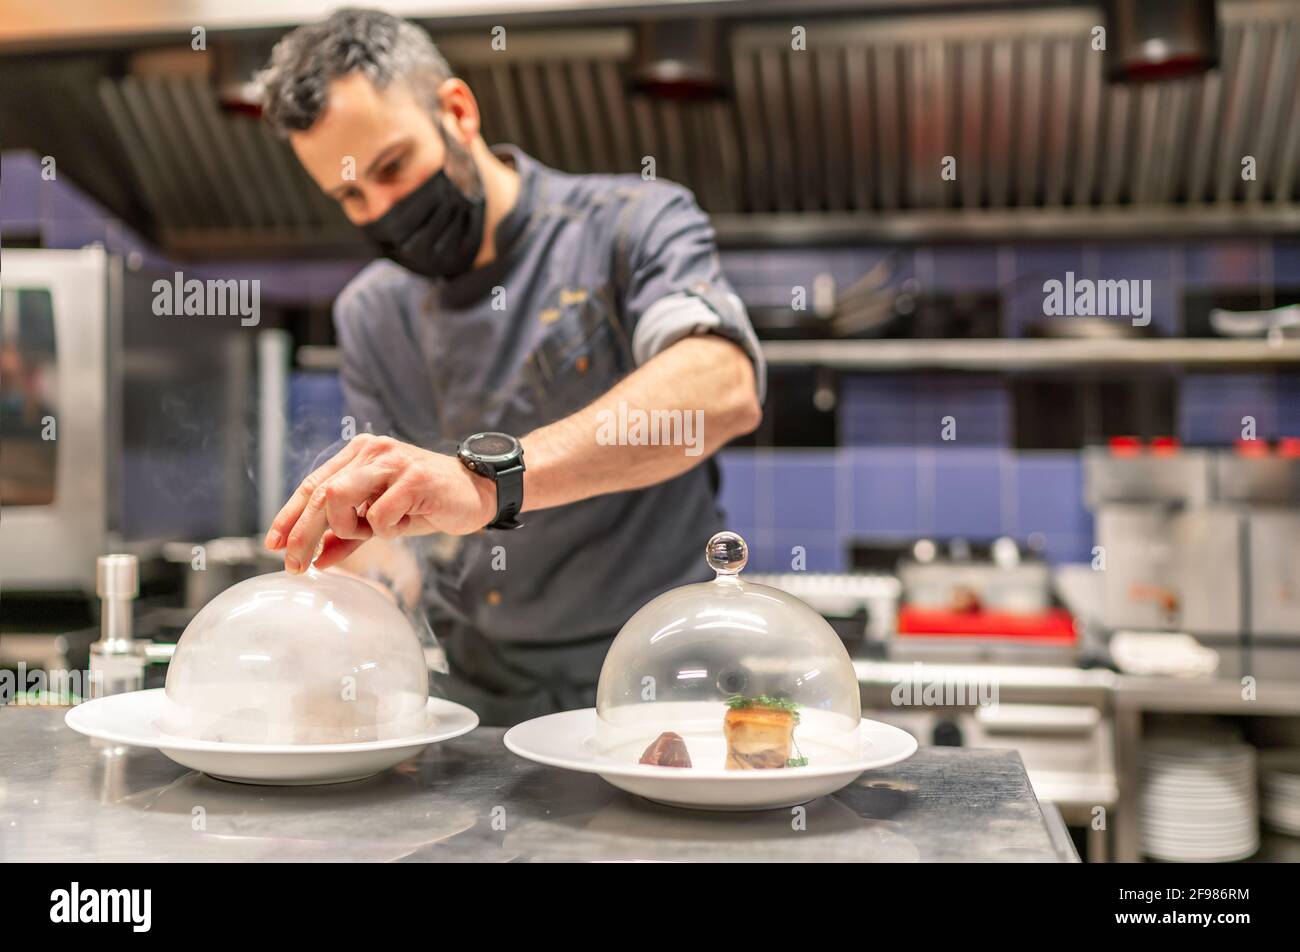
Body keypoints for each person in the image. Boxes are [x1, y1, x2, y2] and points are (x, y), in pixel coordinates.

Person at [257, 8, 765, 726]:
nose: (383, 210)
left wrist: (486, 482)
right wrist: (351, 597)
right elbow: (395, 548)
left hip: (664, 676)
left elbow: (722, 386)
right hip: (479, 698)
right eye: (350, 197)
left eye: (393, 167)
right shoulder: (371, 311)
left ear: (456, 111)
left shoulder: (630, 224)